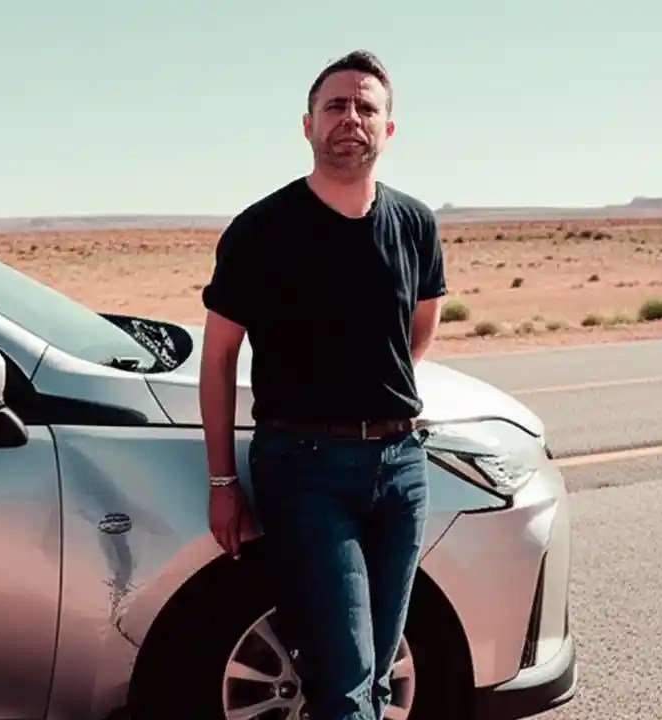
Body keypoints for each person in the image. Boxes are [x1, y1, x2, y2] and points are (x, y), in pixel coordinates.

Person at [198, 49, 447, 720]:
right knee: (346, 682)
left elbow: (419, 328)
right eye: (335, 106)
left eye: (366, 107)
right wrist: (222, 482)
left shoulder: (416, 224)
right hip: (304, 470)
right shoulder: (261, 230)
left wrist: (372, 394)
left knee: (377, 677)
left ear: (388, 129)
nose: (350, 118)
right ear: (307, 125)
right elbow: (219, 358)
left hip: (402, 467)